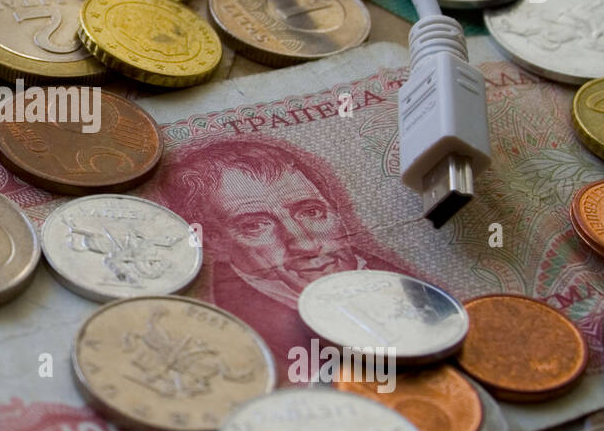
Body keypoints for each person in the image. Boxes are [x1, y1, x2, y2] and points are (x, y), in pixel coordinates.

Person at [154, 134, 419, 364]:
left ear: (335, 211)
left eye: (311, 211)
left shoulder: (404, 281)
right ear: (213, 242)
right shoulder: (249, 332)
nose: (303, 243)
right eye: (256, 225)